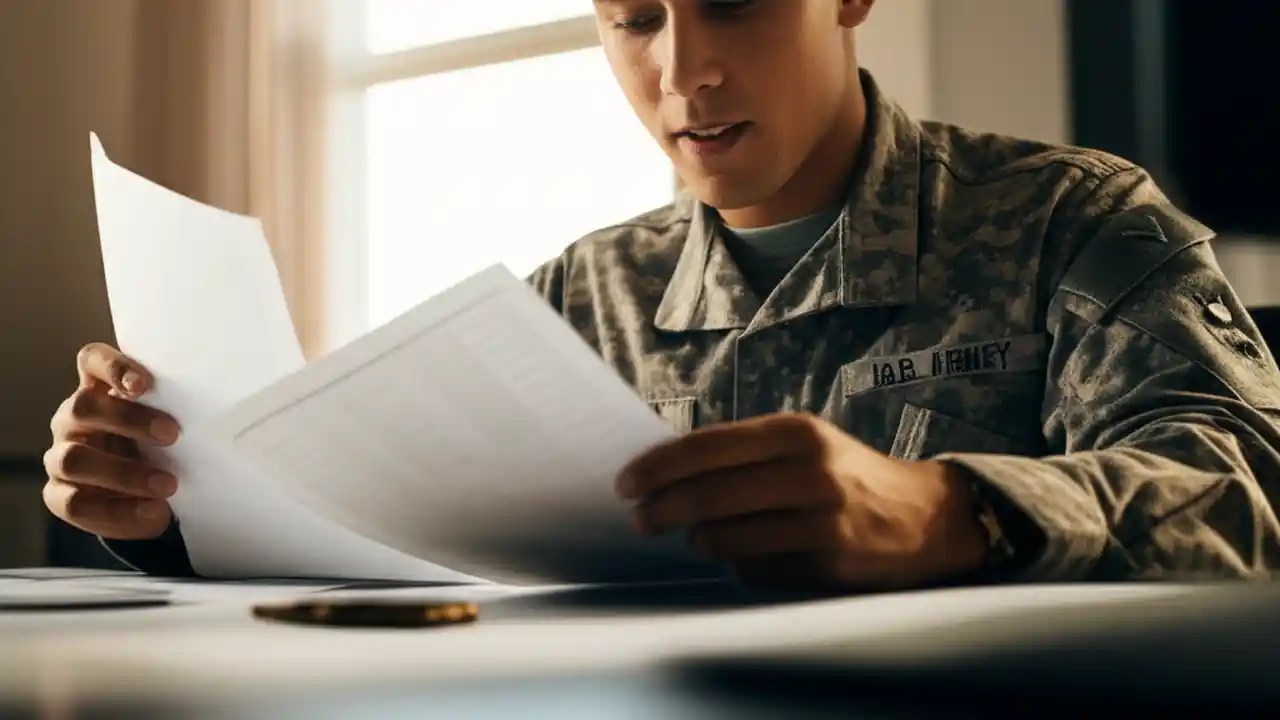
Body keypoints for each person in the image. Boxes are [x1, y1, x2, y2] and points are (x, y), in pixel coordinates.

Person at [44, 0, 1280, 589]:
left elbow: (1242, 496)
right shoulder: (580, 293)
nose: (682, 71)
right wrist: (168, 502)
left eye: (732, 3)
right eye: (634, 19)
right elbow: (400, 549)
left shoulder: (1078, 222)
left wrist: (948, 509)